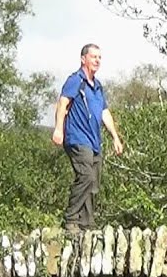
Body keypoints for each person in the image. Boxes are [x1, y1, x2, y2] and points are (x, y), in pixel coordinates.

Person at [51, 43, 124, 232]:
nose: (97, 61)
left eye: (99, 57)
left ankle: (86, 223)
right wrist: (59, 129)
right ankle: (71, 219)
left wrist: (115, 137)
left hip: (94, 141)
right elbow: (62, 103)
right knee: (85, 176)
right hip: (77, 138)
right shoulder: (76, 80)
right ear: (83, 59)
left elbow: (104, 113)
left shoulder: (98, 87)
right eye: (94, 57)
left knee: (93, 182)